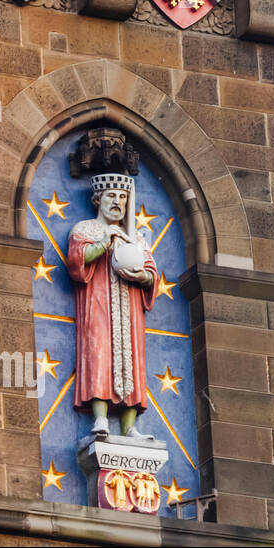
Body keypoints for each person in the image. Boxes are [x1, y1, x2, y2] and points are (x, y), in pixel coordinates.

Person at [66, 172, 159, 439]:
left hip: (129, 309)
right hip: (98, 304)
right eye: (111, 196)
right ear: (98, 199)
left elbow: (152, 271)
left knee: (132, 362)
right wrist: (104, 241)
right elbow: (77, 261)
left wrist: (143, 276)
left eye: (122, 197)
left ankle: (130, 427)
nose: (117, 202)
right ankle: (101, 419)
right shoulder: (85, 229)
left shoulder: (136, 237)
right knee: (98, 354)